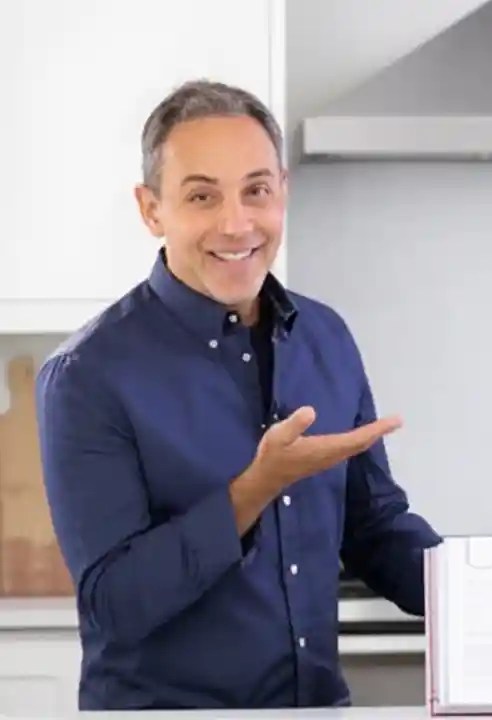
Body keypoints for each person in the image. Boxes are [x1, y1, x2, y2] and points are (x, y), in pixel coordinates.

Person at [34, 78, 443, 710]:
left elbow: (374, 531)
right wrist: (255, 488)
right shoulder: (87, 375)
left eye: (257, 190)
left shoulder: (325, 337)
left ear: (283, 192)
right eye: (202, 196)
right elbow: (115, 603)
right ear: (151, 210)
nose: (236, 223)